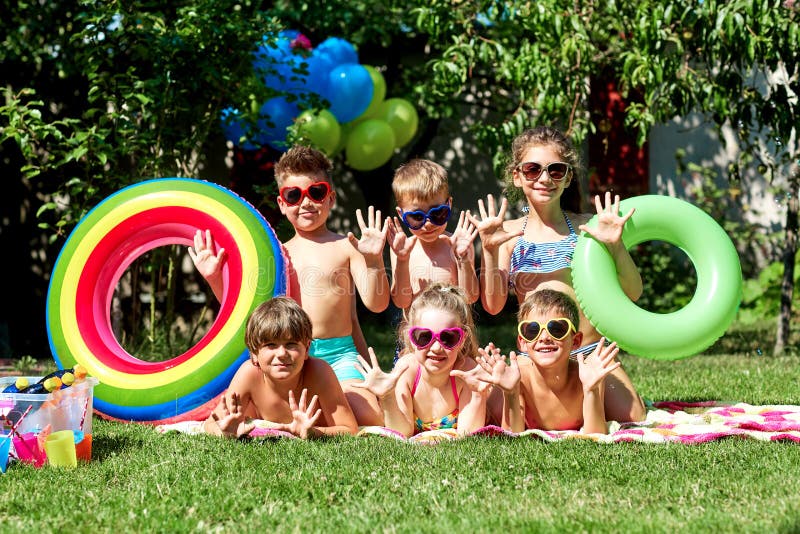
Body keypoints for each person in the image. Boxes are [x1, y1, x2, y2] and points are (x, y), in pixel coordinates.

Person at [190, 145, 390, 426]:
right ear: (282, 205)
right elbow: (250, 311)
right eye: (294, 195)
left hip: (339, 356)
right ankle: (293, 415)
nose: (306, 202)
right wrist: (214, 279)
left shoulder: (347, 247)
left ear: (330, 198)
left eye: (316, 192)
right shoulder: (278, 254)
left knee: (368, 415)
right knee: (241, 411)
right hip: (286, 354)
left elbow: (377, 304)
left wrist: (373, 261)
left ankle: (314, 415)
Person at [469, 126, 644, 422]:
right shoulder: (507, 233)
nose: (544, 179)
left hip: (588, 351)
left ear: (568, 177)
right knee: (501, 415)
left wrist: (615, 246)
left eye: (556, 170)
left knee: (635, 416)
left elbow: (632, 292)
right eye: (532, 169)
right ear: (517, 176)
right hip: (539, 352)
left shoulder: (587, 227)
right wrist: (488, 250)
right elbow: (494, 305)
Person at [467, 289, 645, 434]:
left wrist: (591, 390)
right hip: (518, 378)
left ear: (575, 341)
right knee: (492, 409)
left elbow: (595, 435)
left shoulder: (586, 375)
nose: (544, 337)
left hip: (588, 368)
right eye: (532, 330)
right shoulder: (520, 376)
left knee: (635, 416)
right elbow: (512, 435)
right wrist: (510, 392)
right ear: (522, 342)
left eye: (557, 329)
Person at [202, 297, 358, 438]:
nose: (282, 353)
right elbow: (211, 424)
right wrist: (223, 431)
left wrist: (314, 432)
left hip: (347, 398)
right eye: (271, 345)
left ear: (307, 349)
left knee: (367, 414)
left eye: (291, 344)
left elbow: (350, 429)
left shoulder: (319, 372)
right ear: (254, 353)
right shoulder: (249, 374)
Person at [353, 283, 490, 437]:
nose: (437, 347)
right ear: (411, 338)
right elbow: (401, 433)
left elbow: (468, 434)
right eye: (425, 337)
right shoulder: (407, 369)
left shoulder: (467, 373)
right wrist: (387, 397)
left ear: (462, 339)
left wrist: (478, 395)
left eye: (448, 338)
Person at [386, 159, 479, 310]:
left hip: (453, 332)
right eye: (417, 217)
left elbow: (470, 297)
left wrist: (463, 260)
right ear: (401, 214)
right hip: (417, 333)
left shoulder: (458, 244)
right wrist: (402, 260)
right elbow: (401, 302)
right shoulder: (402, 249)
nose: (428, 224)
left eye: (437, 213)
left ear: (449, 205)